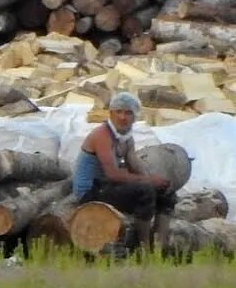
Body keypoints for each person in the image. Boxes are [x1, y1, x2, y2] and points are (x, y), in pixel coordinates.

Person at [73, 91, 177, 221]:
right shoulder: (102, 135)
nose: (123, 117)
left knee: (166, 193)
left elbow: (134, 165)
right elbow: (113, 174)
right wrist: (148, 181)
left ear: (135, 116)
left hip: (106, 186)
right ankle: (142, 238)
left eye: (128, 113)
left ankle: (160, 237)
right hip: (90, 192)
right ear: (111, 114)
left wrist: (155, 180)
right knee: (145, 191)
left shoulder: (126, 137)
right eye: (119, 112)